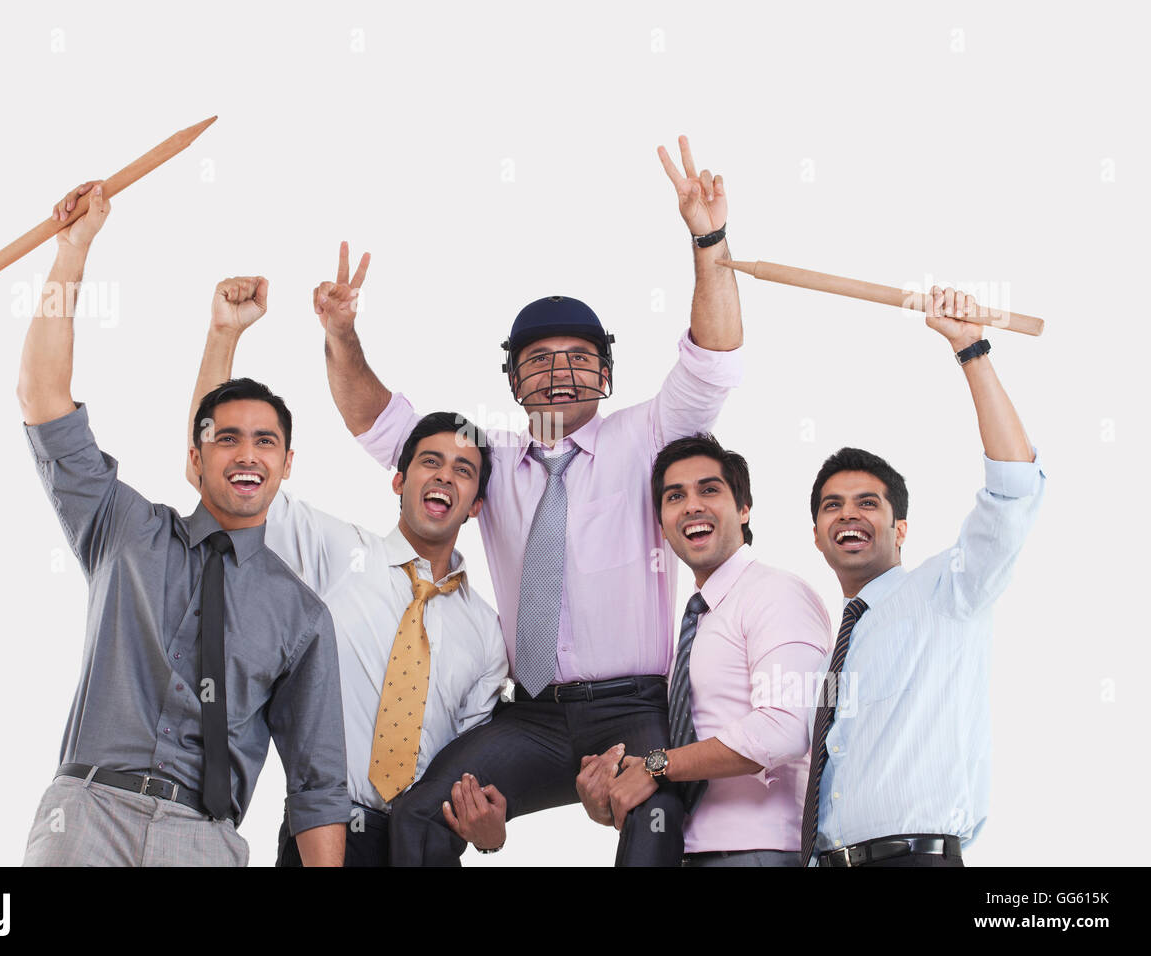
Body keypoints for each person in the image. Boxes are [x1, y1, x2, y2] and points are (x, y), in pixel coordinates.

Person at [312, 136, 744, 865]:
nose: (560, 374)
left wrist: (708, 240)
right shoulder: (486, 457)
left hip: (632, 707)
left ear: (605, 374)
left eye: (580, 359)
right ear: (514, 382)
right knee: (422, 814)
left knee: (659, 812)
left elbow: (714, 359)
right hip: (532, 716)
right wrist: (342, 334)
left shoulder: (650, 437)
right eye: (538, 362)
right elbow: (377, 421)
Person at [18, 181, 350, 867]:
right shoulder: (125, 529)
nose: (247, 454)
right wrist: (72, 252)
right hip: (86, 816)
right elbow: (42, 398)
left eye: (265, 442)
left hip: (201, 840)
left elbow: (318, 787)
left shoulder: (301, 615)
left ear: (288, 464)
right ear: (195, 460)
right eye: (227, 440)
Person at [187, 295, 510, 865]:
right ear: (399, 481)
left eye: (464, 470)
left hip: (427, 841)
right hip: (327, 833)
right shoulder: (336, 552)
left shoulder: (487, 631)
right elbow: (213, 478)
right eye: (430, 461)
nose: (444, 476)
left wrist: (485, 828)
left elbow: (471, 762)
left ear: (476, 506)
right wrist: (223, 336)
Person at [802, 286, 1046, 868]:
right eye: (832, 506)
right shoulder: (831, 646)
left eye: (868, 503)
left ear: (901, 528)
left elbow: (1013, 490)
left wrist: (971, 350)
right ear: (816, 534)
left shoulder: (949, 590)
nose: (848, 514)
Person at [576, 435, 831, 866]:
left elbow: (786, 727)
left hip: (761, 851)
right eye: (675, 496)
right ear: (662, 522)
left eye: (709, 489)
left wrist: (656, 765)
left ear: (744, 508)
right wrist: (616, 786)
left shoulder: (776, 593)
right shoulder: (699, 616)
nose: (692, 505)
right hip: (690, 851)